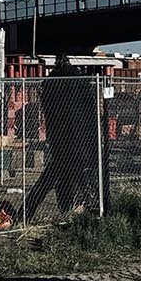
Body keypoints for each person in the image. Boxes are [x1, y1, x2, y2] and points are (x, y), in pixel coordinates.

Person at [25, 54, 95, 218]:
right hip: (82, 143)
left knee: (49, 180)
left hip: (61, 143)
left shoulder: (52, 84)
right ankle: (87, 209)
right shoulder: (80, 82)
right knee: (83, 179)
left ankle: (26, 213)